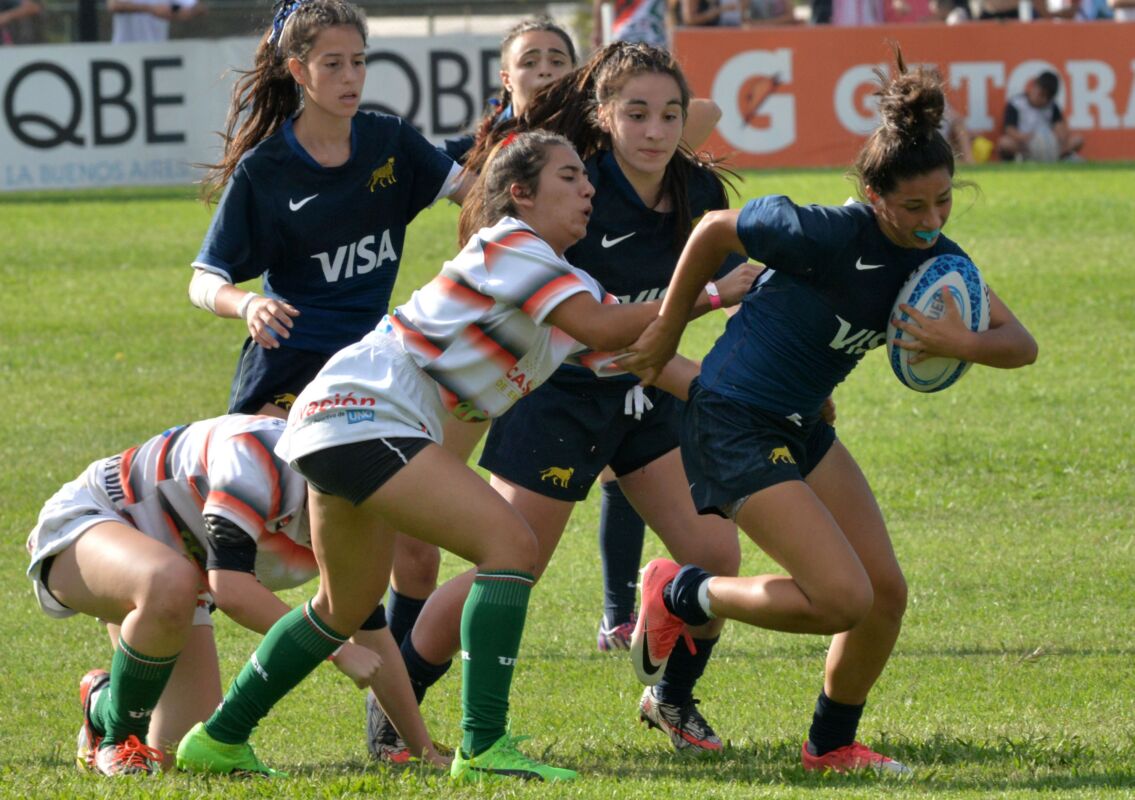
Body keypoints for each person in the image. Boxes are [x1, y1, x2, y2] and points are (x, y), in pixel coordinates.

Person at [174, 130, 695, 782]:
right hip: (364, 416)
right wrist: (707, 288)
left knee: (341, 608)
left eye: (585, 179)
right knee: (510, 545)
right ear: (519, 193)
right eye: (568, 177)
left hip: (337, 419)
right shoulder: (514, 246)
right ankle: (482, 747)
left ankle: (219, 738)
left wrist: (736, 390)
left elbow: (639, 346)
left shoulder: (564, 282)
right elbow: (602, 327)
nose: (587, 187)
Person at [621, 50, 1037, 775]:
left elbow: (1019, 343)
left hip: (802, 424)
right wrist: (663, 330)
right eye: (913, 207)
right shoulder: (822, 233)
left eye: (943, 202)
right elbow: (714, 230)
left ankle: (831, 745)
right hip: (733, 420)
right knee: (840, 598)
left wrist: (957, 339)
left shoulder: (932, 258)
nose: (931, 220)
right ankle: (681, 590)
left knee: (883, 595)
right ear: (875, 196)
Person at [393, 42, 757, 757]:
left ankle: (670, 699)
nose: (654, 131)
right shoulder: (576, 190)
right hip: (558, 397)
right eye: (637, 113)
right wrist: (696, 369)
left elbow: (740, 287)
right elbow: (588, 334)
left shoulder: (698, 193)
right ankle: (397, 710)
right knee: (509, 567)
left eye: (670, 114)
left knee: (714, 554)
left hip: (644, 396)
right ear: (603, 115)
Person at [24, 415, 445, 775]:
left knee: (177, 750)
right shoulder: (256, 456)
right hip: (93, 524)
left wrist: (423, 750)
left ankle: (102, 705)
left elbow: (370, 632)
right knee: (168, 581)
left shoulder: (357, 510)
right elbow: (231, 589)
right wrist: (333, 650)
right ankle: (118, 740)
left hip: (179, 574)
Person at [187, 0, 467, 422]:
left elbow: (475, 195)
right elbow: (203, 280)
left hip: (369, 358)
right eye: (332, 64)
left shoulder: (390, 140)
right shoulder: (266, 169)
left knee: (370, 485)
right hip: (289, 362)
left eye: (358, 61)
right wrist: (248, 305)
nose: (350, 77)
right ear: (299, 71)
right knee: (268, 486)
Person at [997, 70, 1084, 162]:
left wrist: (1054, 139)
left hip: (1049, 146)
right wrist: (1027, 138)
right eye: (1041, 94)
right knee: (1004, 143)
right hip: (1025, 145)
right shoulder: (1016, 103)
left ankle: (1054, 158)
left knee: (1078, 140)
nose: (1043, 100)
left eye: (1047, 97)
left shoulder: (1052, 106)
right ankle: (1025, 159)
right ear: (1034, 86)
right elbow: (1010, 130)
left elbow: (1060, 129)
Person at [108, 0, 206, 43]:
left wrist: (179, 13)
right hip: (124, 49)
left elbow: (199, 8)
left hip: (156, 50)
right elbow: (114, 5)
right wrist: (152, 10)